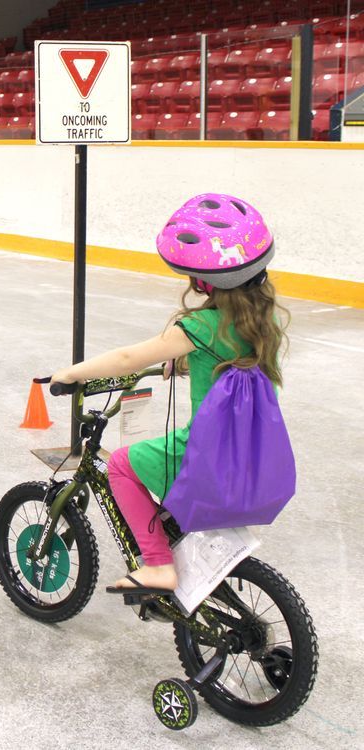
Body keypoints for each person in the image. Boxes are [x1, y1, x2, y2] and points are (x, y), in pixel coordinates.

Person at [51, 194, 287, 595]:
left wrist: (71, 373)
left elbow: (128, 357)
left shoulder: (200, 326)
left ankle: (158, 566)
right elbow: (232, 359)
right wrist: (185, 362)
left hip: (207, 449)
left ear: (202, 280)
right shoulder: (264, 320)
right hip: (250, 449)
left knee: (122, 465)